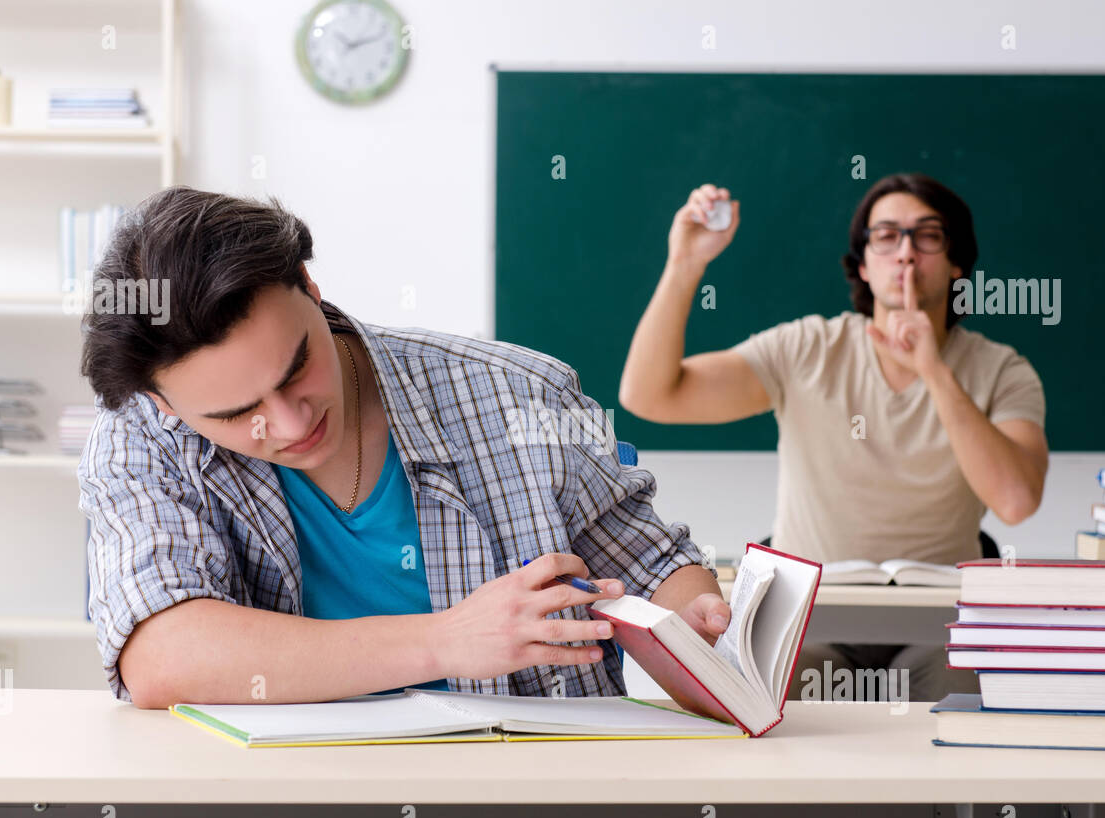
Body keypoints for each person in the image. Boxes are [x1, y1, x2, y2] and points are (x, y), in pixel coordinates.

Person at [77, 186, 730, 709]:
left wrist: (698, 628)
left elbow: (656, 570)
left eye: (297, 366)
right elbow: (165, 655)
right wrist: (448, 641)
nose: (288, 420)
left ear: (309, 286)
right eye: (236, 412)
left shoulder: (525, 392)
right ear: (165, 406)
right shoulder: (140, 438)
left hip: (536, 814)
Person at [618, 173, 1048, 700]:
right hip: (812, 620)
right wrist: (686, 264)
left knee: (962, 689)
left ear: (958, 263)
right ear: (864, 265)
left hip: (934, 627)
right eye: (886, 236)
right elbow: (651, 395)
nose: (906, 254)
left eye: (927, 235)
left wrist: (934, 371)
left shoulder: (1002, 370)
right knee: (774, 689)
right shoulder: (807, 348)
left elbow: (1016, 500)